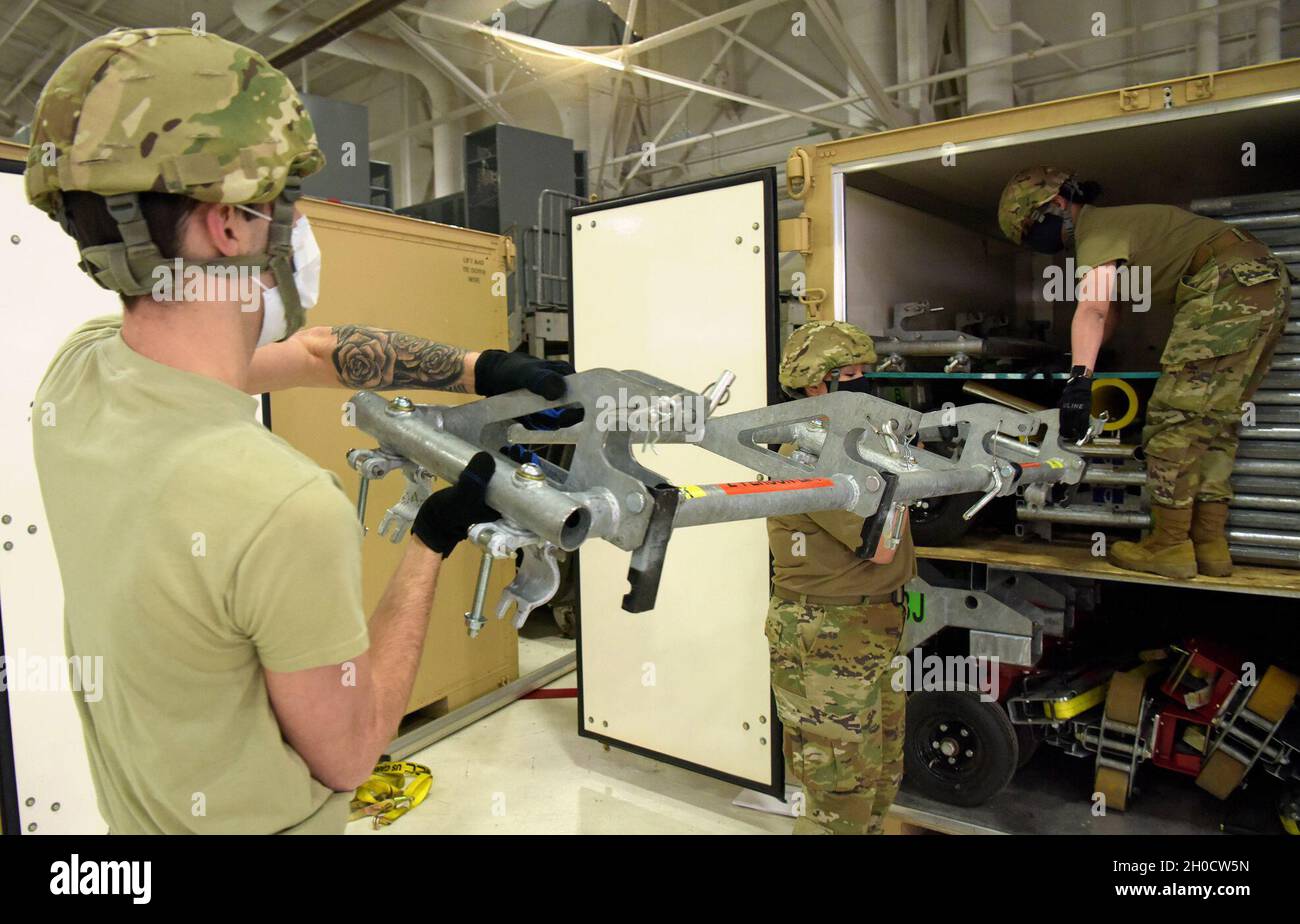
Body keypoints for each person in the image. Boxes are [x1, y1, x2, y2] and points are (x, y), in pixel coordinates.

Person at [25, 28, 570, 834]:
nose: (296, 225)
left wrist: (481, 368)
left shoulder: (78, 378)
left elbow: (314, 354)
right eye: (286, 199)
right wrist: (430, 540)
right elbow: (350, 755)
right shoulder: (280, 504)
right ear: (231, 226)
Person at [998, 167, 1291, 579]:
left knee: (1174, 422)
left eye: (1030, 228)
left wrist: (1079, 384)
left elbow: (1093, 308)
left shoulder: (1096, 229)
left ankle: (1168, 547)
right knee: (1212, 424)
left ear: (1058, 204)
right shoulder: (1120, 227)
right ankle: (1209, 545)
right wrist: (1078, 359)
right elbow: (1110, 309)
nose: (1036, 240)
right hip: (1262, 281)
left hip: (1227, 284)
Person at [765, 321, 916, 834]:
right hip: (828, 634)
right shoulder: (810, 456)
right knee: (837, 798)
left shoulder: (860, 442)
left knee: (880, 779)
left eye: (865, 372)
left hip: (878, 624)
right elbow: (880, 544)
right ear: (814, 384)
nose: (863, 383)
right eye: (850, 374)